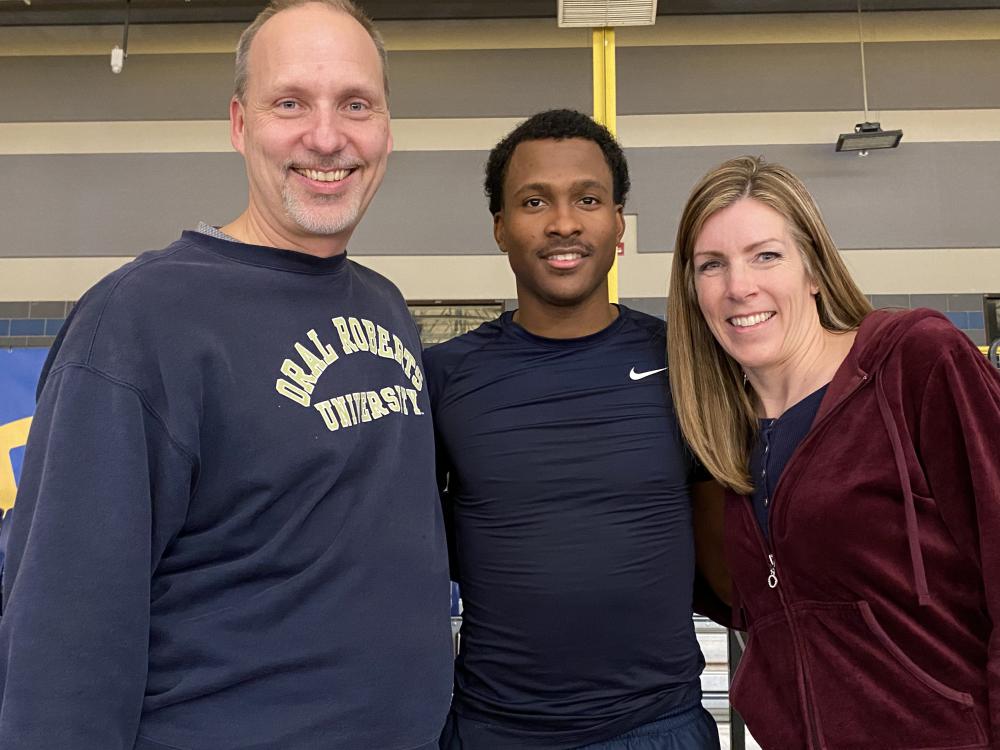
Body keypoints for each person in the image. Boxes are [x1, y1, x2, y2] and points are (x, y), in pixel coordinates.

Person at [0, 2, 453, 748]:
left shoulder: (384, 304)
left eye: (356, 104)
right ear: (241, 125)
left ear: (387, 129)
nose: (327, 136)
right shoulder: (141, 320)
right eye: (290, 103)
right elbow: (61, 636)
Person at [667, 156, 1000, 749]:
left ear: (814, 270)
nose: (739, 286)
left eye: (766, 255)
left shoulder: (915, 361)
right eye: (711, 265)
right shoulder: (726, 443)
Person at [426, 109, 722, 750]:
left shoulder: (687, 364)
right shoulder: (445, 376)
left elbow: (726, 540)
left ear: (618, 222)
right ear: (501, 229)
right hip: (494, 729)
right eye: (535, 202)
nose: (563, 222)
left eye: (587, 199)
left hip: (655, 727)